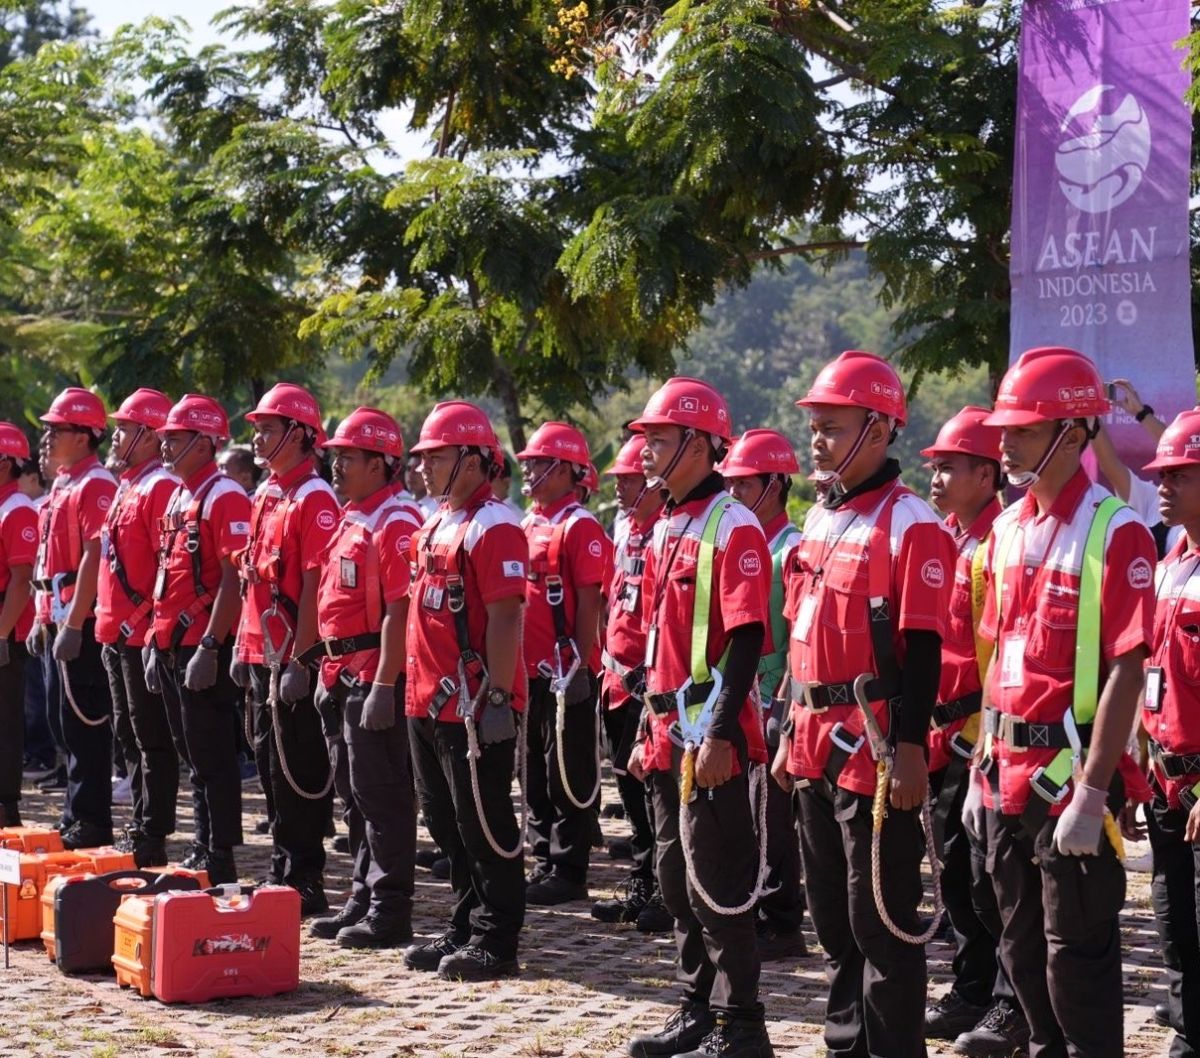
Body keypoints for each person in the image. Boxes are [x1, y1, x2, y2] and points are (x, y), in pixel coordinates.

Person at [965, 346, 1155, 1058]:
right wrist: (983, 763)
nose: (1004, 441)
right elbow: (999, 655)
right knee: (1019, 959)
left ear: (1072, 437)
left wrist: (1095, 790)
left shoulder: (1114, 531)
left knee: (1075, 966)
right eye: (1004, 427)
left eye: (1023, 429)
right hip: (1003, 778)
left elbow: (1126, 669)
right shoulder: (1007, 531)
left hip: (1065, 781)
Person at [773, 350, 955, 1058]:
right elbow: (801, 638)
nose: (815, 440)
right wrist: (791, 728)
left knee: (880, 922)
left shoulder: (910, 523)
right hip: (815, 743)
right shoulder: (818, 519)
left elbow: (926, 649)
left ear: (877, 431)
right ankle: (844, 1045)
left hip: (878, 753)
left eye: (831, 425)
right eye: (813, 426)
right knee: (834, 922)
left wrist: (912, 750)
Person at [624, 377, 775, 1058]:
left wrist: (717, 733)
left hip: (709, 738)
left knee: (717, 888)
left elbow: (745, 637)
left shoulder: (732, 524)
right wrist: (641, 728)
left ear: (700, 444)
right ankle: (695, 1008)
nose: (647, 451)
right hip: (664, 736)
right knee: (675, 880)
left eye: (659, 439)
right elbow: (659, 641)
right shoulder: (669, 524)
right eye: (646, 439)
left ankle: (741, 1025)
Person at [402, 400, 527, 981]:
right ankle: (464, 920)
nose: (424, 466)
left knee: (484, 822)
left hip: (474, 704)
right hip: (428, 700)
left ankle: (495, 938)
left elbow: (505, 617)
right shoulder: (435, 520)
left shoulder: (494, 525)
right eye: (424, 455)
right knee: (446, 821)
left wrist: (498, 699)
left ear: (474, 461)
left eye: (438, 456)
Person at [919, 406, 1029, 1056]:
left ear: (986, 473)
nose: (936, 476)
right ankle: (972, 986)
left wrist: (971, 732)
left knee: (988, 878)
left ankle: (1003, 998)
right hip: (942, 735)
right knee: (957, 873)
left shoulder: (999, 544)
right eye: (933, 466)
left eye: (949, 466)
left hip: (978, 738)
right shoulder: (949, 538)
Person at [305, 408, 422, 949]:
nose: (337, 465)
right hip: (342, 673)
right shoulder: (356, 515)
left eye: (348, 457)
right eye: (335, 455)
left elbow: (400, 609)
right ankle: (361, 895)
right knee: (355, 795)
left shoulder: (396, 521)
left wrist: (382, 683)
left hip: (375, 675)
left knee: (383, 796)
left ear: (381, 464)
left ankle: (389, 908)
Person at [234, 382, 339, 914]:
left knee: (296, 768)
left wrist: (302, 659)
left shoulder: (314, 498)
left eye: (268, 428)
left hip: (291, 658)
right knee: (269, 766)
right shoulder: (268, 492)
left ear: (299, 435)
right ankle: (281, 866)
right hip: (260, 653)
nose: (258, 437)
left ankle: (305, 877)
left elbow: (316, 589)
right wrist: (238, 644)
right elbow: (252, 577)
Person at [150, 395, 251, 885]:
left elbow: (234, 577)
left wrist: (211, 646)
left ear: (207, 442)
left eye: (176, 436)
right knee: (191, 753)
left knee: (212, 756)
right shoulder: (177, 494)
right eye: (165, 435)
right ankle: (202, 845)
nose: (165, 443)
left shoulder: (224, 494)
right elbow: (165, 573)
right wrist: (154, 640)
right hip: (172, 641)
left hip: (203, 642)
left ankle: (221, 855)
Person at [719, 428, 807, 963]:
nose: (732, 496)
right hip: (752, 699)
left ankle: (781, 920)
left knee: (774, 816)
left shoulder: (790, 548)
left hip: (778, 698)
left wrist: (786, 705)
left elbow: (799, 631)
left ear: (774, 485)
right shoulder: (747, 541)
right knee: (755, 814)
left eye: (742, 484)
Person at [1131, 408, 1200, 1058]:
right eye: (1162, 473)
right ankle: (1187, 1031)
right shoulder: (1169, 560)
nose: (1163, 484)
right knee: (1173, 920)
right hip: (1163, 776)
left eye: (1179, 474)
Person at [518, 421, 608, 905]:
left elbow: (590, 603)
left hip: (564, 671)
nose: (529, 472)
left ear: (567, 471)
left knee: (567, 771)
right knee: (532, 771)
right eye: (528, 464)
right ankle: (543, 859)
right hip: (528, 672)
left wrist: (581, 666)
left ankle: (569, 868)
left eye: (539, 464)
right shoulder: (529, 522)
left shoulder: (580, 525)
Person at [28, 388, 118, 848]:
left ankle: (92, 819)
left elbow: (93, 556)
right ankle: (74, 813)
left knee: (84, 725)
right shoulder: (65, 481)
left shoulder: (95, 484)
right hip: (54, 614)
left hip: (75, 619)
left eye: (56, 429)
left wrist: (75, 623)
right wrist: (43, 618)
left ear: (84, 436)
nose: (46, 437)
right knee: (62, 723)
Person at [94, 389, 180, 867]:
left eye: (126, 428)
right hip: (114, 632)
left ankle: (153, 831)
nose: (117, 435)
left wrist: (143, 626)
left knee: (151, 739)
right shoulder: (128, 484)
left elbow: (165, 568)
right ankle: (142, 823)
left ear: (148, 437)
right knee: (129, 735)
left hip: (139, 631)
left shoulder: (159, 487)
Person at [591, 435, 671, 932]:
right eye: (617, 479)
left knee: (653, 795)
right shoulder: (626, 534)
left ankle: (665, 888)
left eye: (630, 479)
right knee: (629, 791)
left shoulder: (667, 533)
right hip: (615, 682)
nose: (619, 487)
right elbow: (611, 603)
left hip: (648, 685)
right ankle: (643, 880)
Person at [0, 422, 37, 827]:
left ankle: (6, 804)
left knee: (5, 720)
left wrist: (2, 634)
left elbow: (20, 579)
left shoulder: (17, 509)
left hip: (5, 624)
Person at [404, 451, 438, 519]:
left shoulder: (436, 509)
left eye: (417, 469)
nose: (410, 475)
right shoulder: (402, 502)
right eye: (408, 469)